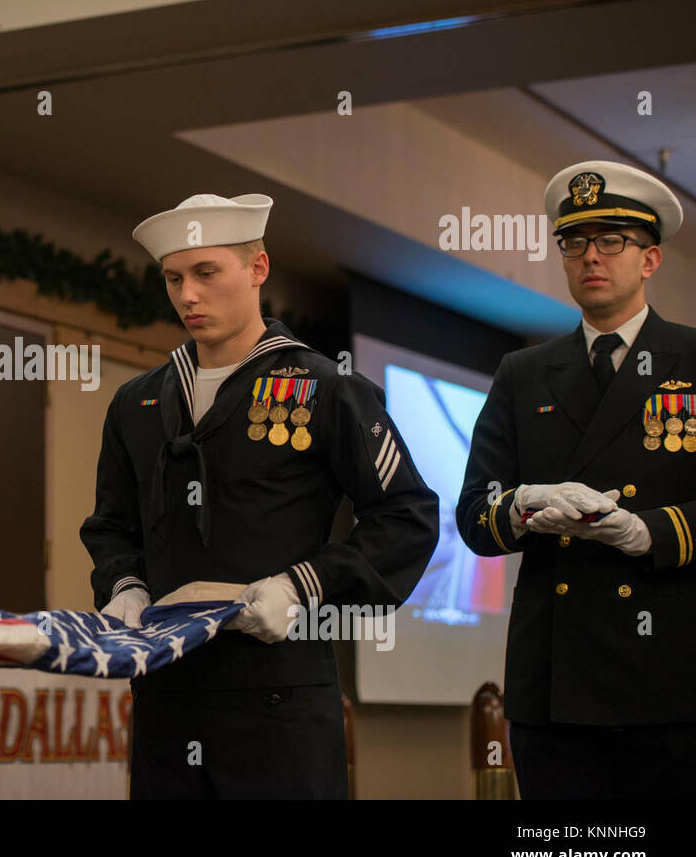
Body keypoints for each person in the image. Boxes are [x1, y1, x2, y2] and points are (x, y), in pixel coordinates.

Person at [81, 193, 439, 798]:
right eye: (173, 278)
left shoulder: (328, 389)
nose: (187, 295)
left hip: (281, 698)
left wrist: (304, 587)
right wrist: (123, 585)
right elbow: (111, 523)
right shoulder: (137, 402)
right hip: (169, 693)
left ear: (258, 269)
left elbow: (406, 516)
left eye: (206, 273)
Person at [457, 159, 696, 799]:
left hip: (672, 678)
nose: (591, 257)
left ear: (649, 260)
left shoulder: (692, 360)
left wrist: (644, 533)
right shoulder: (523, 373)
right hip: (556, 684)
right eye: (575, 243)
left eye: (612, 241)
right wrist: (521, 506)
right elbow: (473, 514)